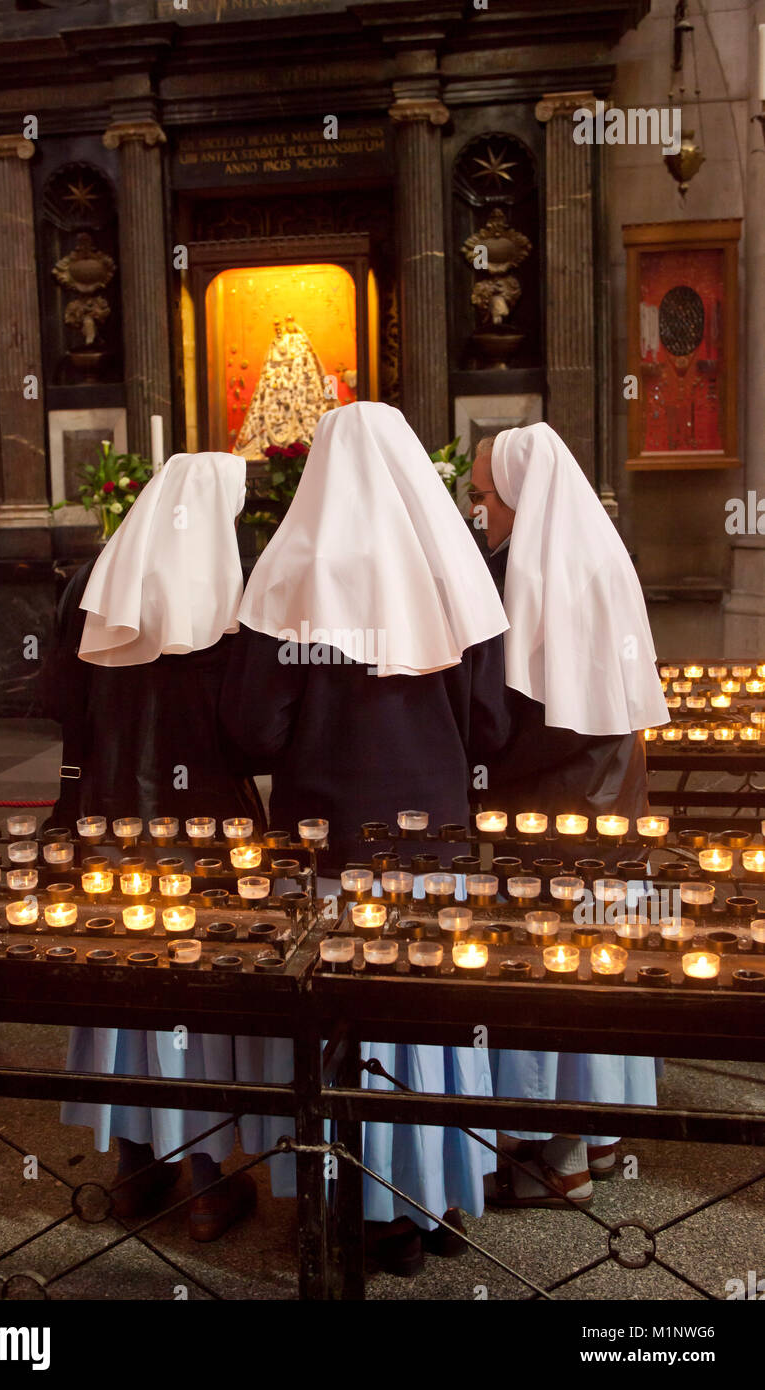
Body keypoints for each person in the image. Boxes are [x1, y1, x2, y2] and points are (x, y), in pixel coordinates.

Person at [222, 400, 511, 1276]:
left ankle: (356, 1212)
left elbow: (252, 735)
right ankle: (438, 1199)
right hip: (435, 841)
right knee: (425, 1026)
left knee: (346, 1030)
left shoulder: (288, 575)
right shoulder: (451, 567)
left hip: (328, 843)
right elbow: (491, 725)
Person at [43, 451, 264, 1237]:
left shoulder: (89, 586)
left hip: (108, 826)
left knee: (125, 1000)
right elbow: (250, 736)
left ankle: (134, 1170)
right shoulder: (231, 596)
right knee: (194, 1014)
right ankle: (207, 1180)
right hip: (204, 839)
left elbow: (59, 703)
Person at [470, 422, 669, 1208]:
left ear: (519, 494)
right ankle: (604, 1128)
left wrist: (473, 769)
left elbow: (532, 715)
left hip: (552, 799)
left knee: (549, 970)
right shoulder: (598, 547)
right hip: (614, 790)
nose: (482, 509)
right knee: (602, 959)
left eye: (487, 495)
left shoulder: (526, 566)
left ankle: (562, 1155)